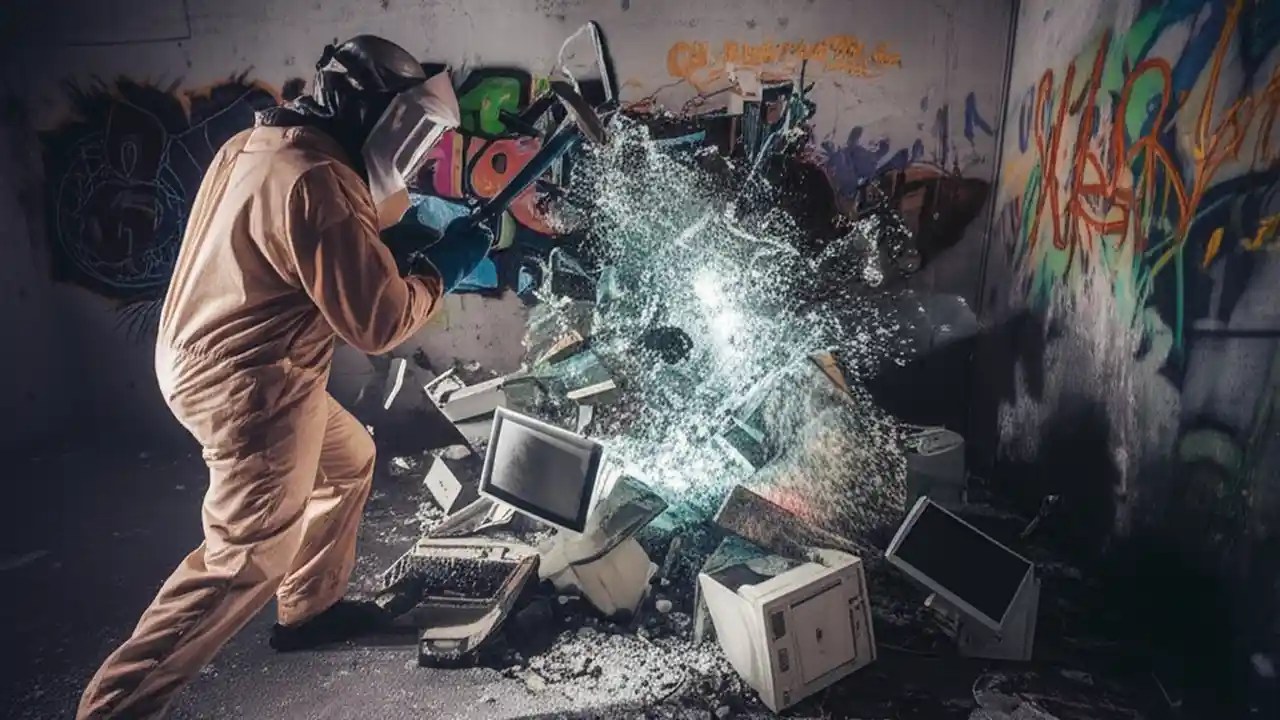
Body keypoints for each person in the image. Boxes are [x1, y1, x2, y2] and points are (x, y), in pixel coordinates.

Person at [77, 36, 493, 719]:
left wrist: (396, 234)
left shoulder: (263, 146)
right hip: (252, 384)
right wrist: (442, 265)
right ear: (378, 116)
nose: (414, 152)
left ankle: (310, 612)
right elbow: (379, 323)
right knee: (244, 559)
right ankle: (113, 707)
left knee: (348, 458)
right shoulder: (319, 182)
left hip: (199, 357)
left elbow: (310, 239)